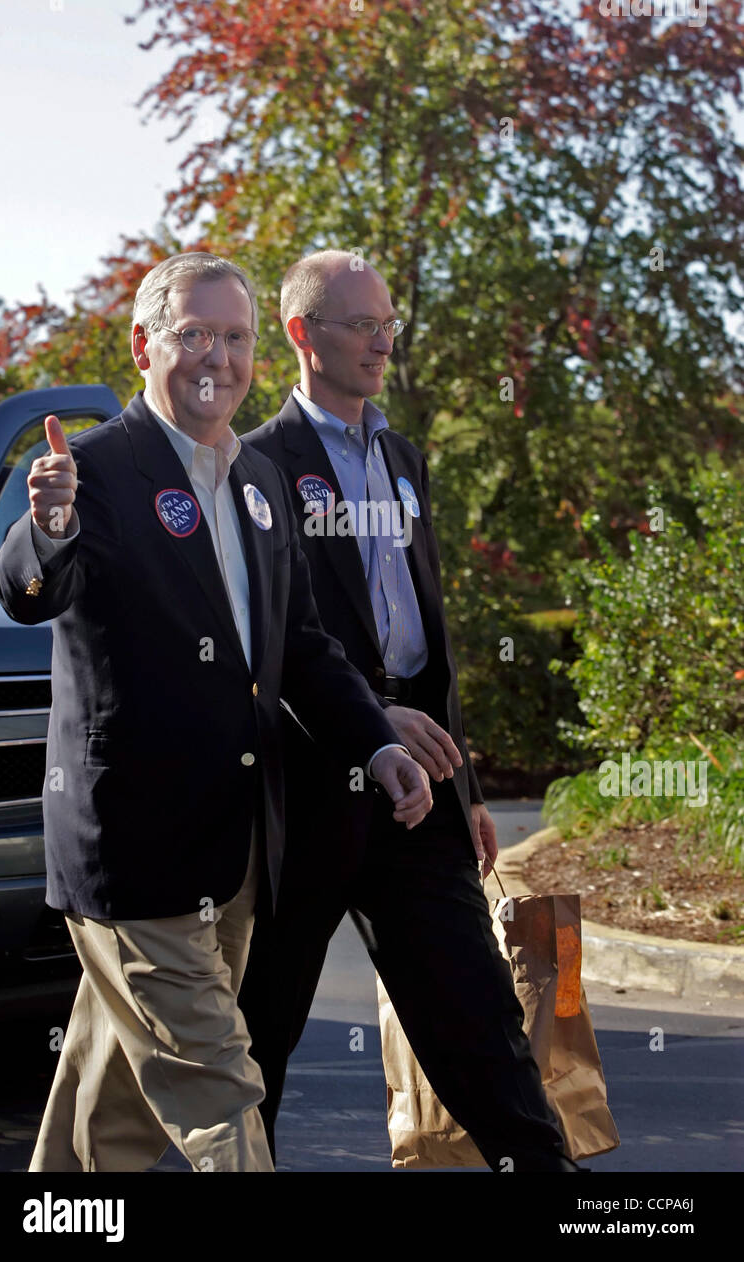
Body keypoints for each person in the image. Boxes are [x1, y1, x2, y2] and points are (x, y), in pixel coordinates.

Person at [0, 251, 431, 1173]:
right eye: (194, 334)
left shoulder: (259, 481)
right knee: (218, 1085)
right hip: (134, 857)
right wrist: (51, 527)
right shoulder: (98, 471)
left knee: (106, 1112)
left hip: (233, 853)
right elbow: (33, 588)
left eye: (234, 337)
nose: (217, 358)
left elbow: (301, 646)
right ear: (145, 344)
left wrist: (375, 739)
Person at [238, 249, 584, 1172]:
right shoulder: (255, 466)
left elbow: (427, 638)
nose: (382, 342)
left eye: (389, 323)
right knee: (257, 1044)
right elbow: (265, 645)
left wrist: (466, 784)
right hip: (305, 795)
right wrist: (365, 719)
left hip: (420, 792)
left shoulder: (402, 459)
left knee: (481, 1028)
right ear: (303, 334)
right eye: (361, 324)